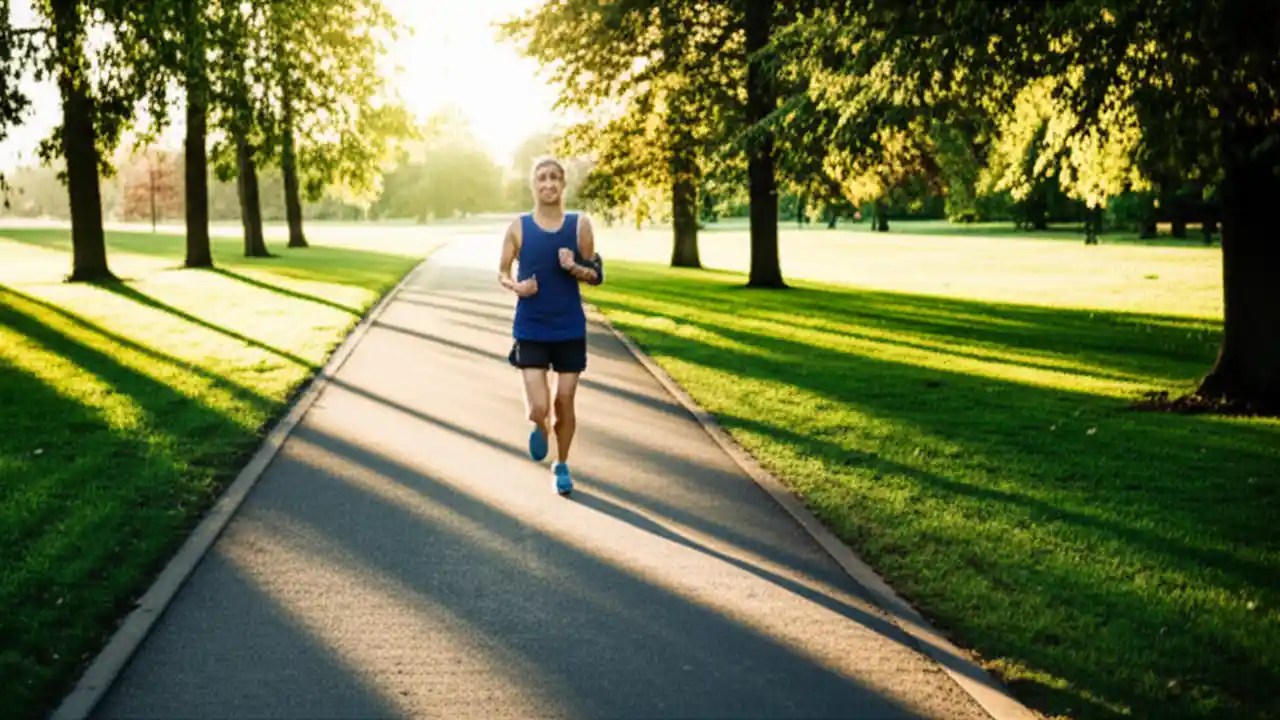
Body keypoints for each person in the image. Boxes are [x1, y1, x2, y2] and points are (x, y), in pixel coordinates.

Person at [498, 157, 603, 496]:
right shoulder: (518, 227)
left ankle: (562, 464)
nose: (548, 184)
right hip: (531, 326)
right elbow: (502, 271)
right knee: (539, 407)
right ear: (534, 184)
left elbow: (596, 275)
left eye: (555, 178)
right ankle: (539, 427)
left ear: (563, 184)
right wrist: (517, 286)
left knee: (565, 402)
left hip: (569, 328)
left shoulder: (579, 225)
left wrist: (574, 268)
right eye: (542, 178)